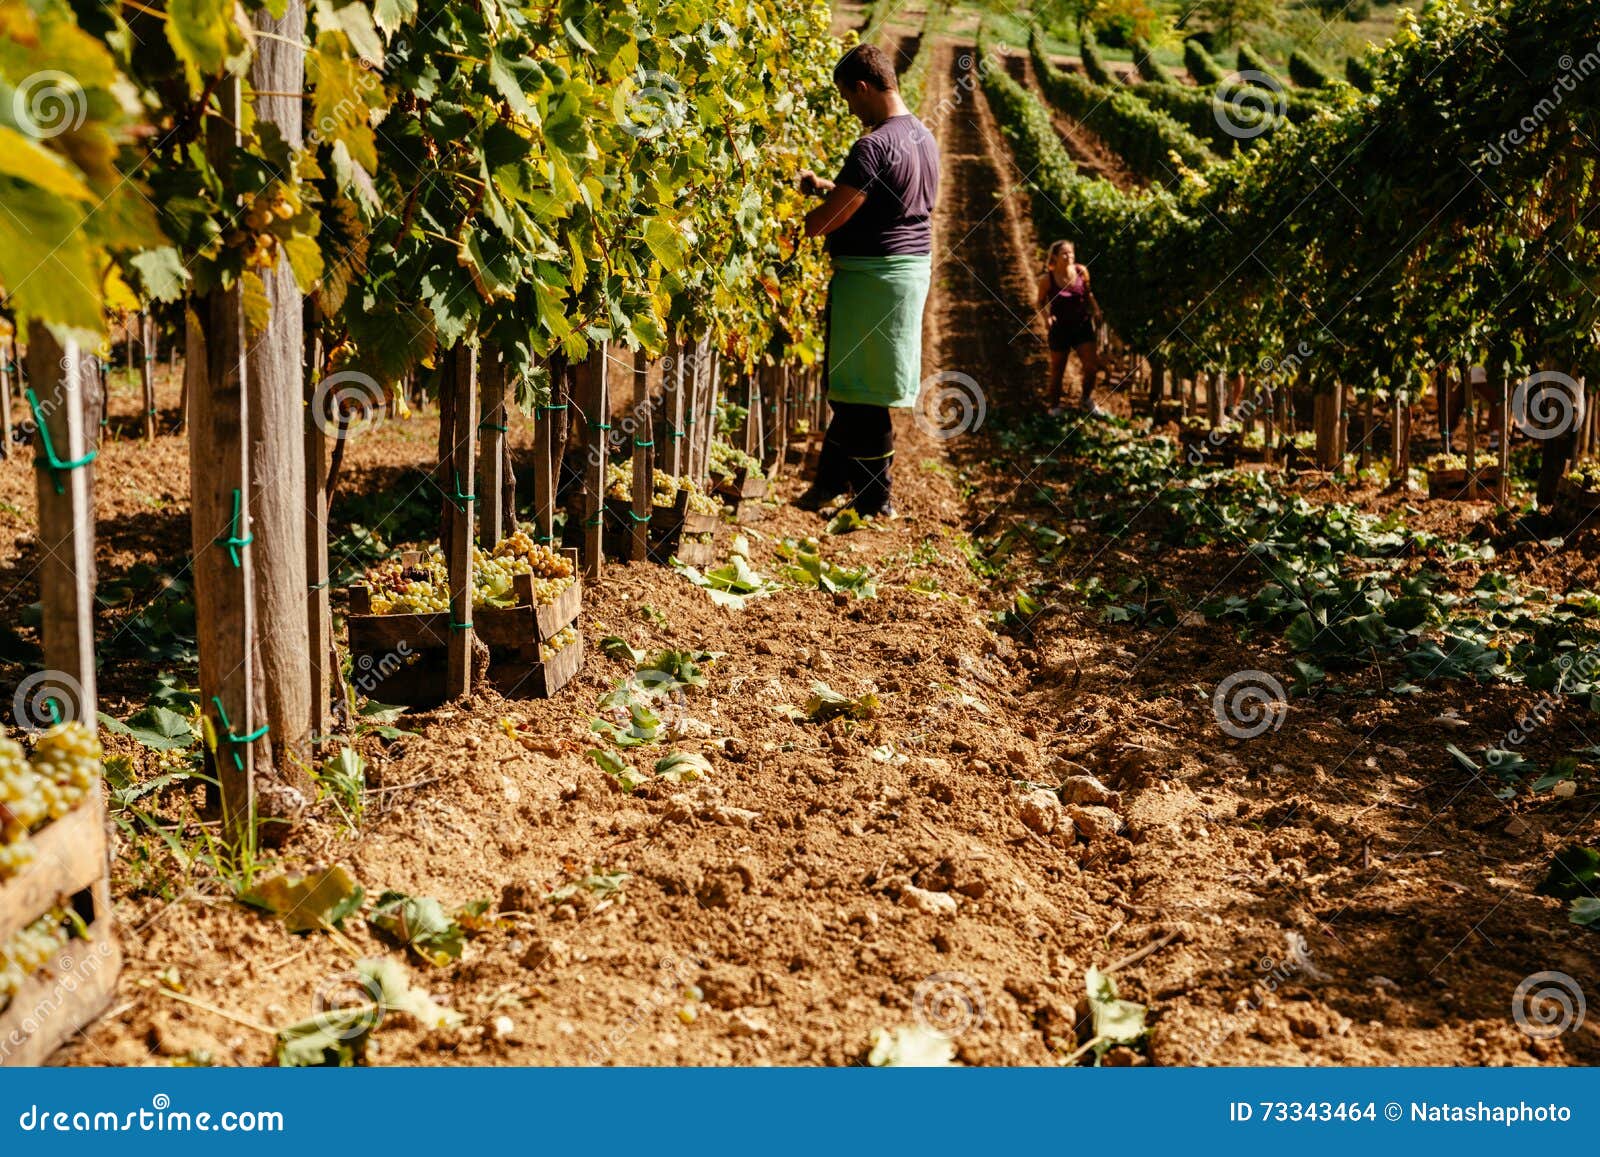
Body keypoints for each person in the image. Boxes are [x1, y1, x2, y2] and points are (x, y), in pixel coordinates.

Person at [794, 43, 940, 518]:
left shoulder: (872, 145)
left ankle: (877, 499)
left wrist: (804, 221)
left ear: (863, 86)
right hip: (908, 272)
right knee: (858, 386)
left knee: (860, 393)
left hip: (873, 279)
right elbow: (882, 198)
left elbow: (828, 220)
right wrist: (825, 187)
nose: (849, 108)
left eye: (847, 97)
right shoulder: (922, 135)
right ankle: (828, 486)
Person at [1036, 240, 1103, 416]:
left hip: (1082, 325)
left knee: (1091, 367)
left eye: (1071, 253)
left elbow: (1088, 294)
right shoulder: (1047, 280)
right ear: (1055, 257)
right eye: (1064, 253)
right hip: (1060, 329)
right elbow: (1040, 303)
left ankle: (1086, 399)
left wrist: (1096, 309)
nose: (1069, 256)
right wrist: (1046, 317)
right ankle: (1055, 406)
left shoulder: (1081, 272)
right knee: (1058, 369)